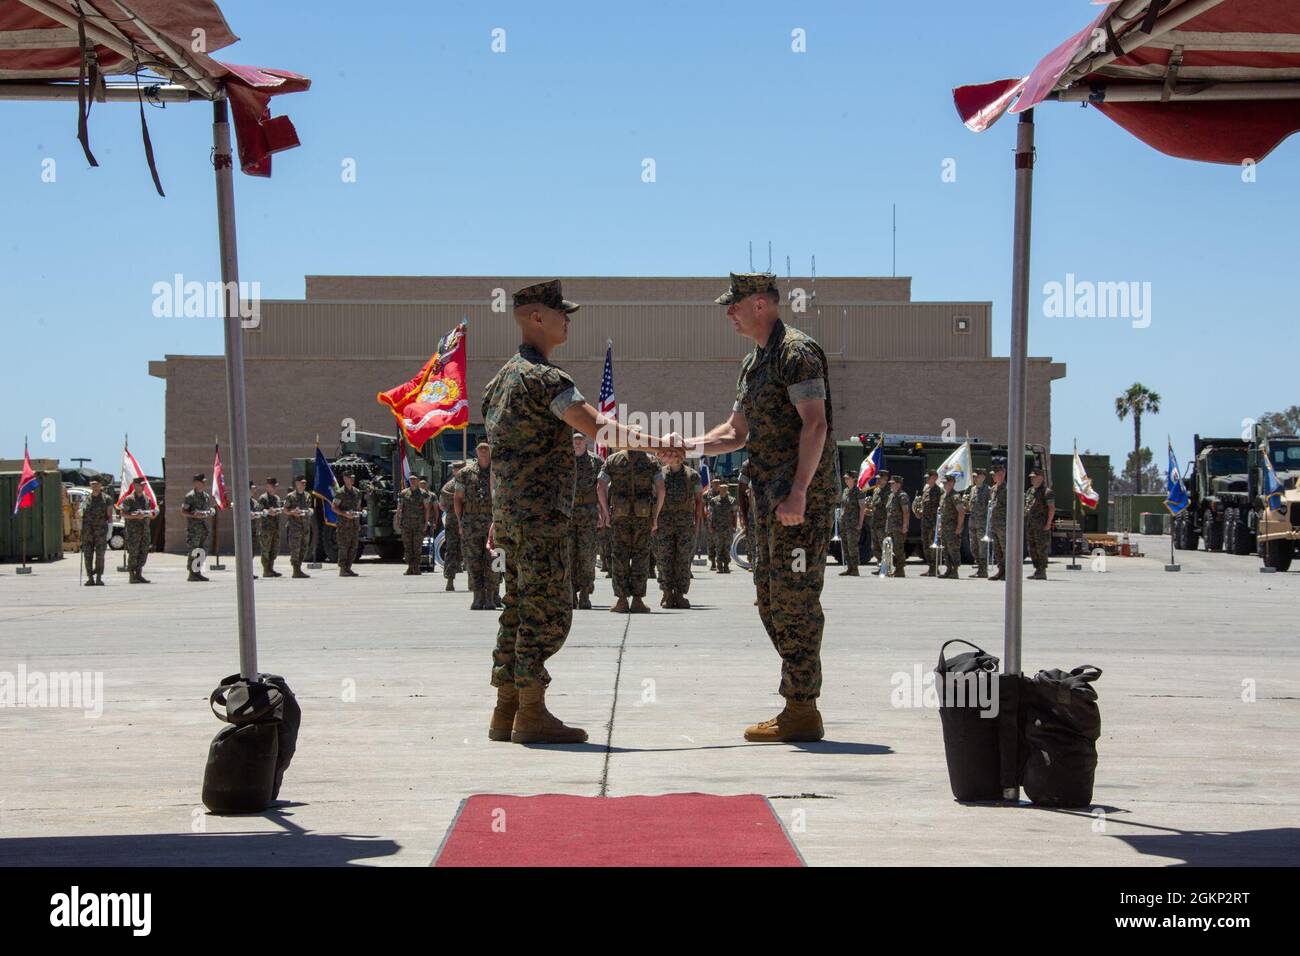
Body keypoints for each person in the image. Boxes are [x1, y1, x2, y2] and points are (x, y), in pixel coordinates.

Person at [482, 278, 675, 745]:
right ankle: (531, 712)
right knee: (547, 611)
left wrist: (496, 513)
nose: (567, 320)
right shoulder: (544, 379)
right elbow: (600, 430)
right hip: (541, 518)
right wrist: (661, 444)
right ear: (536, 318)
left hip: (513, 517)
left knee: (516, 605)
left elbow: (499, 456)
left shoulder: (499, 381)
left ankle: (506, 708)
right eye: (561, 312)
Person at [676, 272, 837, 743]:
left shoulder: (795, 352)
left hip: (795, 502)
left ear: (763, 304)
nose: (729, 311)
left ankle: (802, 708)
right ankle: (797, 703)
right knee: (769, 598)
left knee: (794, 598)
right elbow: (734, 433)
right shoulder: (754, 363)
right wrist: (684, 447)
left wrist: (800, 491)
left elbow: (816, 424)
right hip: (767, 499)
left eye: (736, 304)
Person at [598, 449, 663, 613]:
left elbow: (600, 487)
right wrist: (655, 515)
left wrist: (606, 513)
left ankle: (621, 601)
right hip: (643, 516)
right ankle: (637, 600)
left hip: (620, 516)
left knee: (620, 556)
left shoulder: (613, 460)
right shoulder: (652, 461)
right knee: (641, 556)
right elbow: (661, 489)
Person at [653, 446, 702, 609]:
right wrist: (653, 522)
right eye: (672, 453)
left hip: (685, 525)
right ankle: (667, 593)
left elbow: (699, 501)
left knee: (683, 559)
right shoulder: (659, 474)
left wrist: (697, 524)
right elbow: (653, 499)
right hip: (664, 524)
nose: (675, 457)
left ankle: (680, 594)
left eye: (678, 454)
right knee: (664, 558)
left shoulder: (692, 475)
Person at [456, 443, 498, 608]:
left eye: (486, 448)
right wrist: (460, 522)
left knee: (494, 560)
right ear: (476, 452)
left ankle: (491, 596)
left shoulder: (498, 471)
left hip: (493, 522)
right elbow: (458, 498)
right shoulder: (465, 473)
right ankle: (477, 596)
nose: (483, 451)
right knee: (473, 561)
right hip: (471, 522)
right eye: (480, 448)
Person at [569, 433, 603, 610]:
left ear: (585, 442)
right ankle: (571, 593)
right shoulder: (564, 460)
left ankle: (585, 593)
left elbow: (602, 488)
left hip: (588, 514)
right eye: (575, 441)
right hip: (567, 515)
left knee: (587, 556)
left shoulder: (595, 461)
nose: (577, 443)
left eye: (580, 440)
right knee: (568, 555)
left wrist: (602, 512)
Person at [395, 472, 431, 577]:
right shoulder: (403, 493)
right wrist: (397, 520)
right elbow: (400, 507)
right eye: (411, 479)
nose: (412, 481)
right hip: (406, 524)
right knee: (408, 546)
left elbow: (427, 509)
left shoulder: (424, 493)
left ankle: (417, 567)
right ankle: (410, 567)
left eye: (414, 479)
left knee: (417, 546)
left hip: (418, 524)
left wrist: (426, 523)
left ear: (418, 480)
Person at [79, 477, 113, 586]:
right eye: (93, 484)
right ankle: (90, 578)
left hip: (100, 531)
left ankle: (98, 577)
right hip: (87, 532)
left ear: (101, 486)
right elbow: (80, 513)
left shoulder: (106, 499)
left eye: (97, 484)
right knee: (87, 555)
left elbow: (109, 515)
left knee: (100, 556)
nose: (94, 486)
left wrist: (110, 528)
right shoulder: (85, 499)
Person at [120, 477, 155, 584]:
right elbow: (122, 513)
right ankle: (132, 575)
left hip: (145, 530)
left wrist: (151, 514)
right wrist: (135, 516)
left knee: (143, 553)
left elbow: (152, 513)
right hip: (133, 531)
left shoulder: (147, 499)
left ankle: (139, 574)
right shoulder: (129, 499)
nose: (142, 487)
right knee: (133, 553)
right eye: (140, 485)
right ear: (135, 485)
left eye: (143, 485)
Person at [181, 473, 214, 582]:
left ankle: (197, 571)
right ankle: (192, 573)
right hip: (194, 529)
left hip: (203, 528)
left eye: (204, 482)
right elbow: (183, 512)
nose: (204, 483)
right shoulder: (190, 496)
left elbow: (208, 509)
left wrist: (209, 512)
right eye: (202, 482)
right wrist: (193, 515)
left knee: (202, 550)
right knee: (194, 550)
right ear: (196, 483)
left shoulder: (206, 496)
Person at [1026, 466, 1056, 580]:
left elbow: (1052, 508)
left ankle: (1042, 571)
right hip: (1031, 525)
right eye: (1031, 477)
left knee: (1041, 548)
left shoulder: (1047, 492)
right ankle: (1037, 569)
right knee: (1031, 548)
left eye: (1034, 477)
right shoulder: (1030, 491)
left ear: (1041, 478)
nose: (1032, 479)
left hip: (1041, 526)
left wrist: (1048, 523)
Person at [438, 462, 465, 590]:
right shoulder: (470, 483)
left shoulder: (447, 486)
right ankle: (472, 581)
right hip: (468, 520)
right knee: (470, 550)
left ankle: (450, 581)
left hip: (453, 520)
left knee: (451, 550)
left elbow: (442, 505)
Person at [283, 475, 315, 579]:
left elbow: (309, 507)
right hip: (295, 527)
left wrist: (310, 511)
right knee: (295, 549)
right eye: (302, 483)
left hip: (305, 527)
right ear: (296, 484)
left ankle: (299, 568)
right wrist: (293, 512)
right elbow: (285, 510)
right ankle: (296, 570)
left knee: (304, 548)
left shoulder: (307, 495)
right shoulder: (290, 496)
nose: (304, 484)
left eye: (305, 483)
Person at [334, 470, 363, 577]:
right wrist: (344, 514)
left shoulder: (357, 492)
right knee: (344, 547)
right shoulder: (340, 492)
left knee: (354, 547)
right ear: (345, 479)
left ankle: (348, 568)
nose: (352, 479)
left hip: (354, 525)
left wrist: (359, 519)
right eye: (350, 477)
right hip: (343, 525)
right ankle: (343, 569)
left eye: (353, 477)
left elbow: (358, 507)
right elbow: (334, 507)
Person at [937, 472, 966, 579]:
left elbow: (961, 512)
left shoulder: (956, 496)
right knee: (945, 549)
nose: (944, 485)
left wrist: (959, 527)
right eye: (944, 483)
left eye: (946, 483)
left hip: (953, 528)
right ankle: (948, 569)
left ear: (952, 483)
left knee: (953, 549)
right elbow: (942, 512)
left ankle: (955, 570)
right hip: (945, 528)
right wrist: (939, 526)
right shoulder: (943, 496)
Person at [913, 469, 941, 576]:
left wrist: (938, 525)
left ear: (935, 478)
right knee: (926, 546)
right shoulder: (926, 490)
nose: (927, 479)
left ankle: (935, 568)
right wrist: (919, 512)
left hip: (933, 523)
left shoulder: (938, 491)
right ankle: (931, 567)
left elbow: (940, 508)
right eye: (926, 478)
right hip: (925, 522)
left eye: (928, 477)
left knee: (932, 546)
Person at [965, 468, 991, 579]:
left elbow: (991, 507)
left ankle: (983, 570)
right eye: (974, 476)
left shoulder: (988, 490)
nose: (975, 478)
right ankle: (979, 567)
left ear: (983, 477)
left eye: (977, 476)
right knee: (973, 547)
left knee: (982, 547)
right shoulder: (972, 489)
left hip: (982, 523)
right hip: (973, 522)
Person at [255, 477, 284, 578]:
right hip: (266, 529)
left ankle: (271, 569)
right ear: (267, 487)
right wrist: (268, 511)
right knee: (266, 550)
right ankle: (266, 570)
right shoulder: (263, 498)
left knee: (274, 549)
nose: (275, 488)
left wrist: (279, 510)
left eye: (275, 486)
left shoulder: (277, 498)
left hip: (275, 528)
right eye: (273, 486)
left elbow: (280, 508)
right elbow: (260, 511)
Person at [838, 472, 865, 576]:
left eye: (848, 479)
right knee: (845, 546)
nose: (846, 481)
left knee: (852, 546)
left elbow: (862, 508)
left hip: (853, 524)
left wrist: (860, 523)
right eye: (845, 479)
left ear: (853, 479)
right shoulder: (845, 491)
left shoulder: (858, 492)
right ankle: (849, 568)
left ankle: (855, 569)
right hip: (844, 523)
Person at [885, 474, 910, 577]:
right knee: (892, 549)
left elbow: (906, 512)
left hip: (898, 527)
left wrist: (905, 526)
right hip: (890, 527)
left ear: (899, 484)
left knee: (898, 549)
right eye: (890, 484)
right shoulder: (891, 496)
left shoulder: (902, 496)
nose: (891, 485)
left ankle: (900, 569)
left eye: (893, 484)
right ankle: (894, 568)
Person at [709, 480, 736, 573]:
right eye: (722, 489)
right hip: (718, 528)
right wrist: (711, 526)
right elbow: (711, 514)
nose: (724, 490)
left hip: (728, 528)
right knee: (719, 547)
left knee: (727, 547)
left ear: (727, 490)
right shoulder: (714, 500)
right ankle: (719, 566)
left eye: (725, 489)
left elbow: (734, 514)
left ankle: (727, 565)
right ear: (719, 489)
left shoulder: (732, 500)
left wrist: (734, 525)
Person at [988, 460, 1008, 581]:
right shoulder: (993, 489)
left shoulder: (1008, 489)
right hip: (994, 524)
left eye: (997, 473)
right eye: (993, 474)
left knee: (1006, 549)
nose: (994, 476)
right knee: (997, 550)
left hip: (1004, 525)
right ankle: (1000, 570)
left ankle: (1007, 571)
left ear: (1003, 473)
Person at [869, 469, 891, 565]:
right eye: (877, 478)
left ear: (885, 479)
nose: (877, 480)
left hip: (883, 525)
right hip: (875, 523)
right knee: (875, 547)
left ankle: (888, 566)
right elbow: (875, 506)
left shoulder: (889, 492)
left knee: (885, 547)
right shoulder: (876, 490)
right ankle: (881, 565)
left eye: (880, 479)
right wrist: (869, 510)